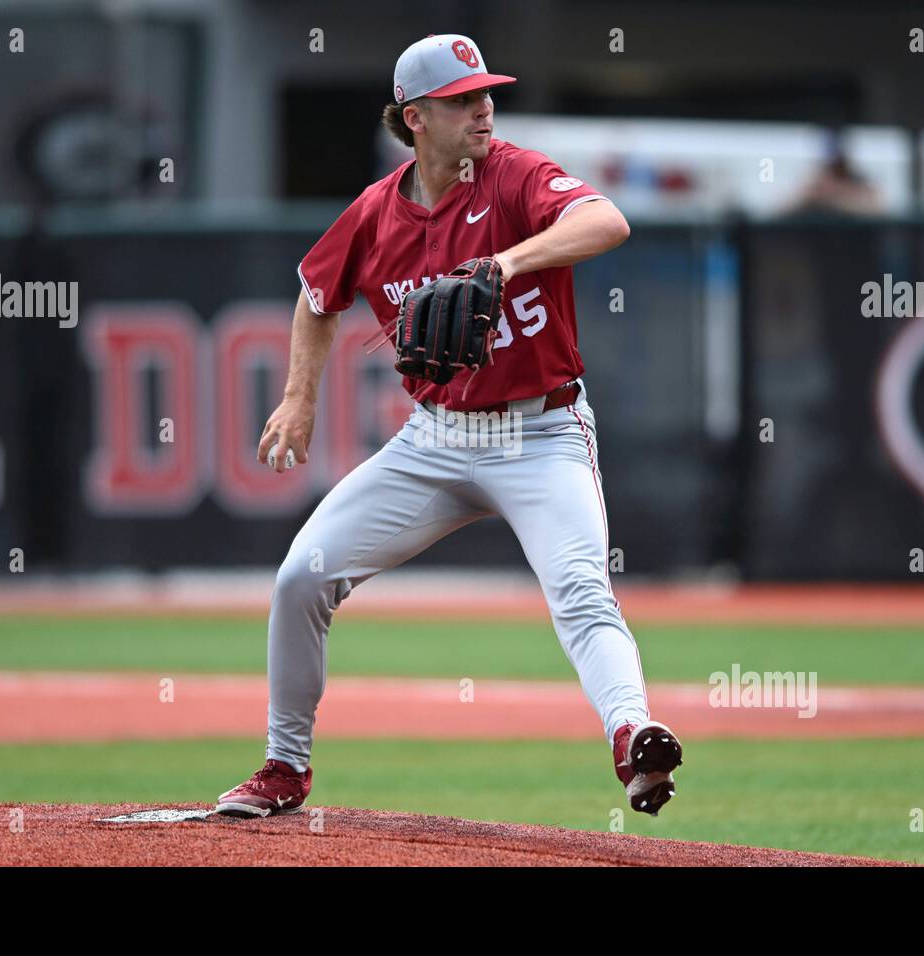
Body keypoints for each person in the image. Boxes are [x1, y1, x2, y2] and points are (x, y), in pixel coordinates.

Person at [215, 33, 683, 820]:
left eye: (485, 92)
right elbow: (316, 297)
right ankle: (283, 767)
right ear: (415, 118)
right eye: (463, 98)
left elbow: (608, 222)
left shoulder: (515, 175)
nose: (484, 107)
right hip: (436, 439)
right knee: (302, 576)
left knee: (579, 590)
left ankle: (633, 737)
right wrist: (299, 397)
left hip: (543, 433)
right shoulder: (374, 212)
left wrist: (506, 262)